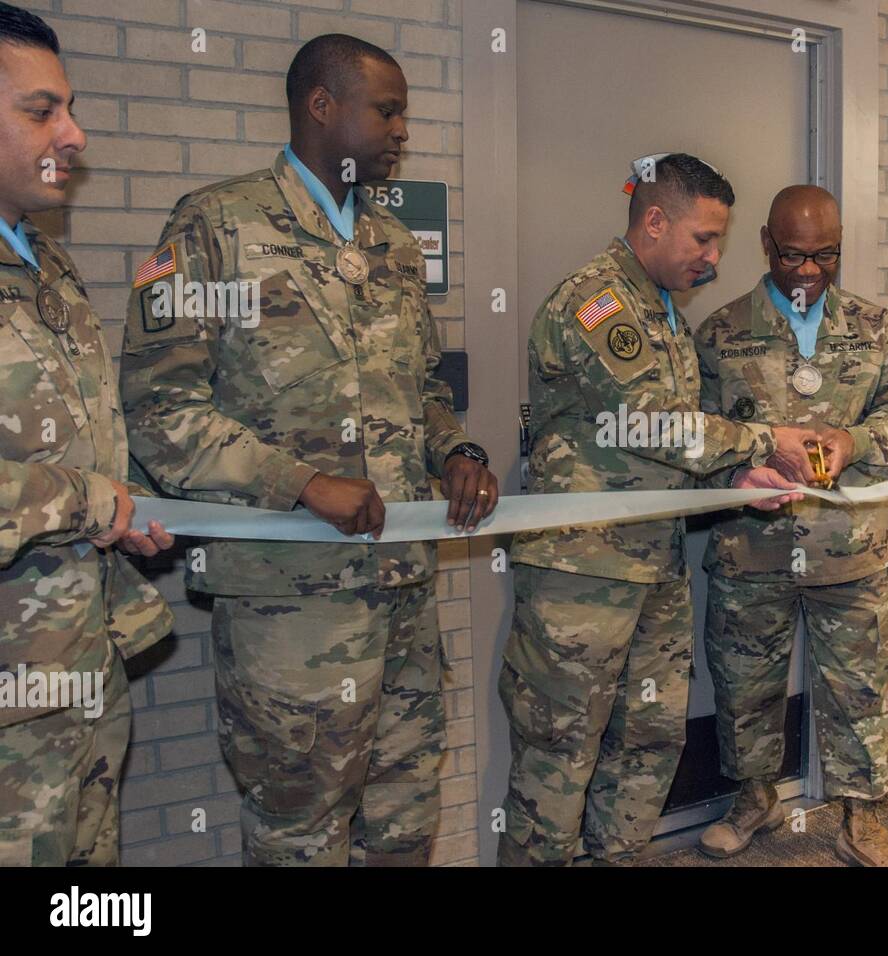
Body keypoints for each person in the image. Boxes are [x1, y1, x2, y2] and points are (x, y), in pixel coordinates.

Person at [119, 34, 497, 866]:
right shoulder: (215, 226)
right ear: (322, 107)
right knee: (301, 830)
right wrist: (297, 483)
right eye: (388, 111)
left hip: (400, 586)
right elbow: (159, 410)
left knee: (403, 818)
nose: (402, 131)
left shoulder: (393, 247)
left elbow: (423, 388)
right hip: (289, 606)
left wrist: (456, 449)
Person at [499, 153, 825, 866]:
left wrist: (738, 475)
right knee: (559, 762)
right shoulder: (600, 303)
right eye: (703, 239)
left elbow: (666, 449)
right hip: (583, 575)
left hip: (653, 563)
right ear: (653, 221)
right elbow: (652, 424)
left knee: (647, 744)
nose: (712, 258)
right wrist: (766, 438)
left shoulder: (665, 314)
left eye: (719, 242)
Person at [693, 185, 888, 866]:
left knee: (857, 689)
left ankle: (861, 812)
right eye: (793, 255)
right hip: (751, 549)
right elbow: (693, 436)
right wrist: (747, 460)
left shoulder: (877, 330)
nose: (807, 271)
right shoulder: (720, 333)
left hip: (853, 550)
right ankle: (755, 797)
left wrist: (855, 443)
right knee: (744, 688)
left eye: (824, 255)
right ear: (766, 243)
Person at [0, 3, 173, 866]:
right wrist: (88, 499)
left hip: (81, 678)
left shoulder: (46, 264)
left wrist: (123, 503)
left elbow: (76, 441)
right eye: (42, 111)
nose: (73, 133)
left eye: (67, 108)